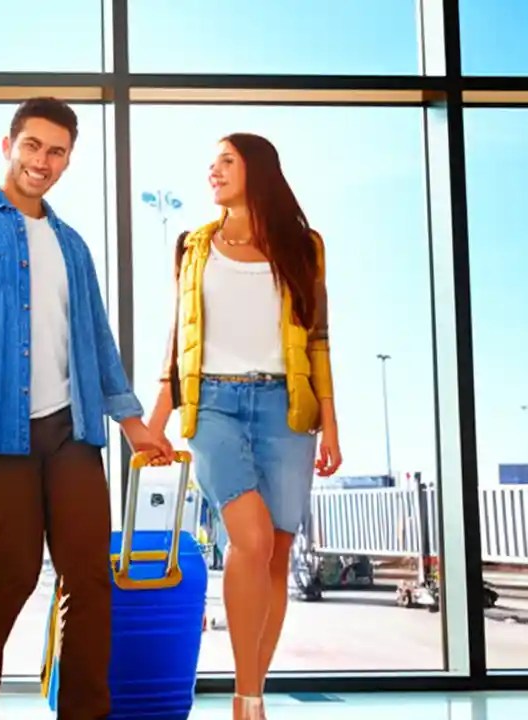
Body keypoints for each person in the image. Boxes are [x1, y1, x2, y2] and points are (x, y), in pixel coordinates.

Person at [0, 97, 173, 720]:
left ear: (68, 161)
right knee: (13, 570)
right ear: (8, 146)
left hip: (72, 427)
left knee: (90, 577)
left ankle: (84, 713)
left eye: (56, 152)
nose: (41, 161)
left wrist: (132, 423)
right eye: (32, 146)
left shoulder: (72, 246)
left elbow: (97, 341)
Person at [146, 133, 342, 720]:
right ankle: (242, 696)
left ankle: (252, 693)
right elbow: (177, 340)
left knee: (278, 553)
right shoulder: (193, 246)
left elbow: (319, 341)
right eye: (211, 164)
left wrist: (331, 426)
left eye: (225, 161)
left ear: (257, 169)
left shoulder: (303, 247)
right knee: (251, 541)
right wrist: (156, 422)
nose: (214, 172)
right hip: (215, 407)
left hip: (288, 408)